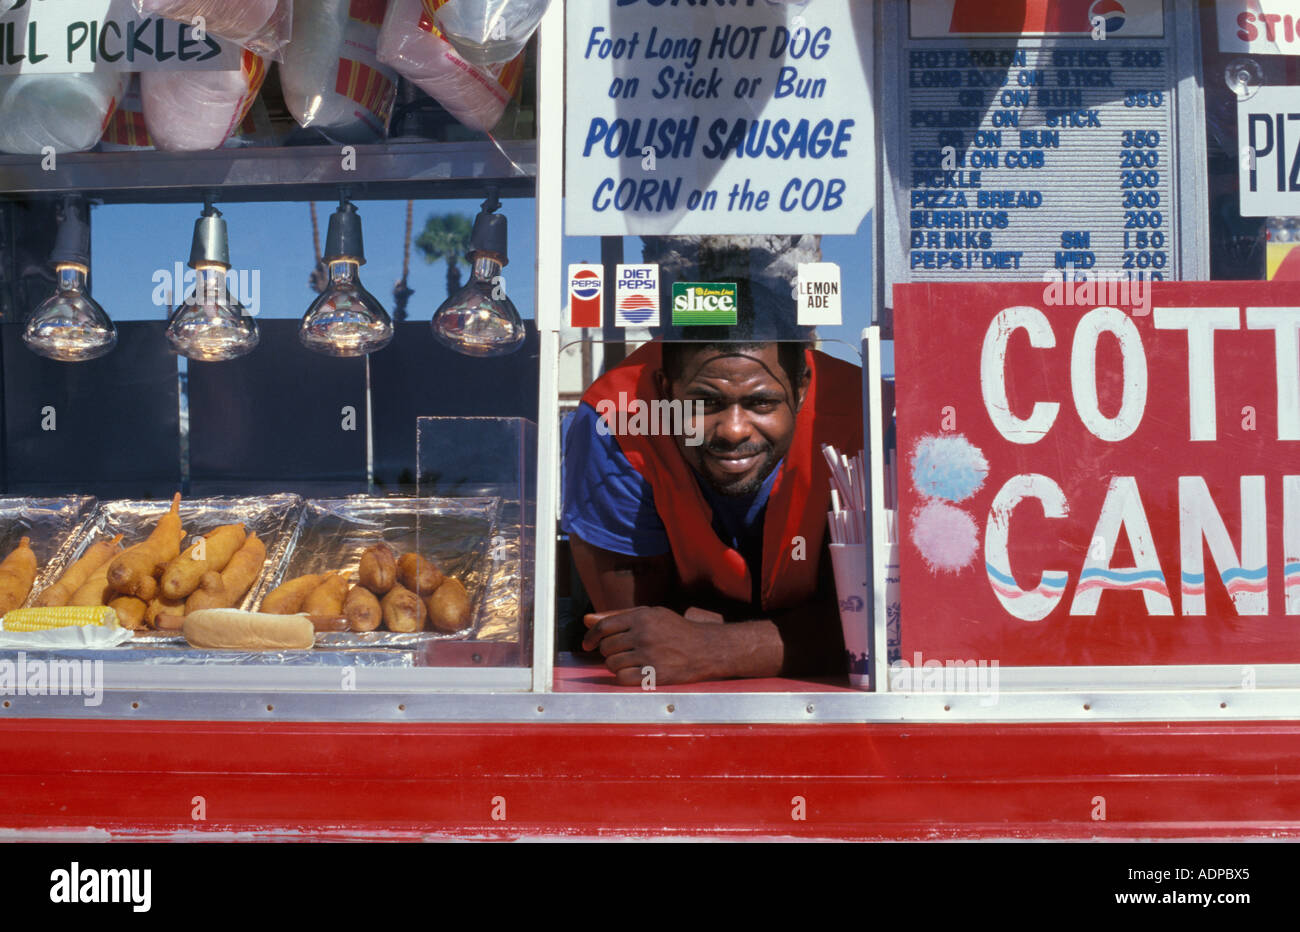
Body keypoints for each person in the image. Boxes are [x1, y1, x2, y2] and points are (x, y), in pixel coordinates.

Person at [562, 314, 864, 686]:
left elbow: (891, 627)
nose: (733, 430)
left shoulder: (865, 412)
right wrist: (804, 633)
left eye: (762, 402)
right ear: (665, 390)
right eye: (704, 403)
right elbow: (641, 646)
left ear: (801, 389)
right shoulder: (615, 419)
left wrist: (718, 646)